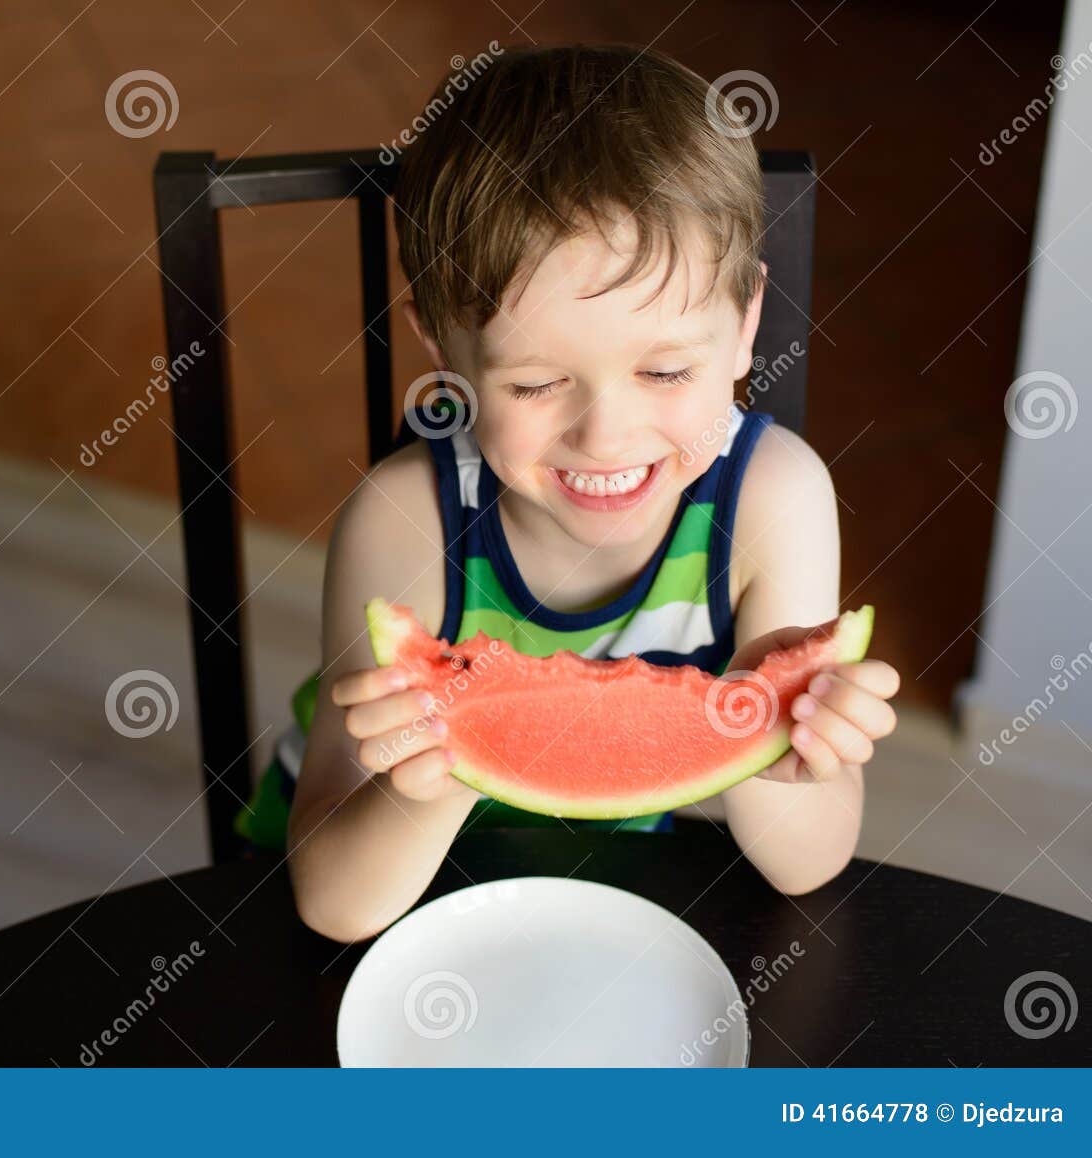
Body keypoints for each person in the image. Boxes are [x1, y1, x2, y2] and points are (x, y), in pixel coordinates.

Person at [252, 43, 900, 943]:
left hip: (630, 881)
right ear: (444, 352)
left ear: (747, 324)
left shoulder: (773, 501)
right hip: (402, 888)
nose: (607, 436)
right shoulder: (406, 519)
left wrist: (786, 750)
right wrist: (435, 776)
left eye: (667, 370)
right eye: (534, 386)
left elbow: (806, 863)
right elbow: (332, 901)